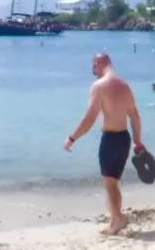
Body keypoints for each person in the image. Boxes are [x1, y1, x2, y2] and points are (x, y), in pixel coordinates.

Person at [62, 52, 146, 236]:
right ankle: (115, 220)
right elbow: (135, 116)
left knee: (109, 183)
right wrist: (138, 142)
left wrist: (72, 138)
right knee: (112, 181)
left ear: (97, 63)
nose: (94, 72)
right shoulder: (124, 86)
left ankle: (118, 219)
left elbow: (90, 118)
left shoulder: (99, 86)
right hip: (124, 138)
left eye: (94, 69)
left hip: (110, 139)